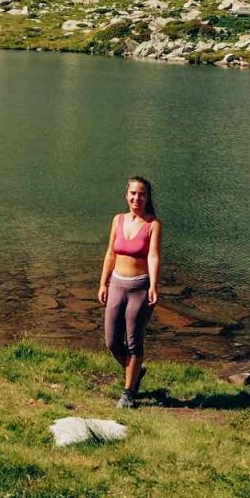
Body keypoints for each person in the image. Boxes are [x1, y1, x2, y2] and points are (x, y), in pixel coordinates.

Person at [97, 175, 162, 409]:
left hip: (139, 288)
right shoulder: (118, 220)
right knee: (112, 342)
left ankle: (128, 393)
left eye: (141, 193)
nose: (137, 197)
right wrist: (103, 283)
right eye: (133, 193)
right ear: (126, 195)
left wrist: (153, 285)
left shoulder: (153, 225)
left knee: (134, 343)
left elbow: (153, 256)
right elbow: (110, 254)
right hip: (116, 284)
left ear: (147, 197)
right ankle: (134, 372)